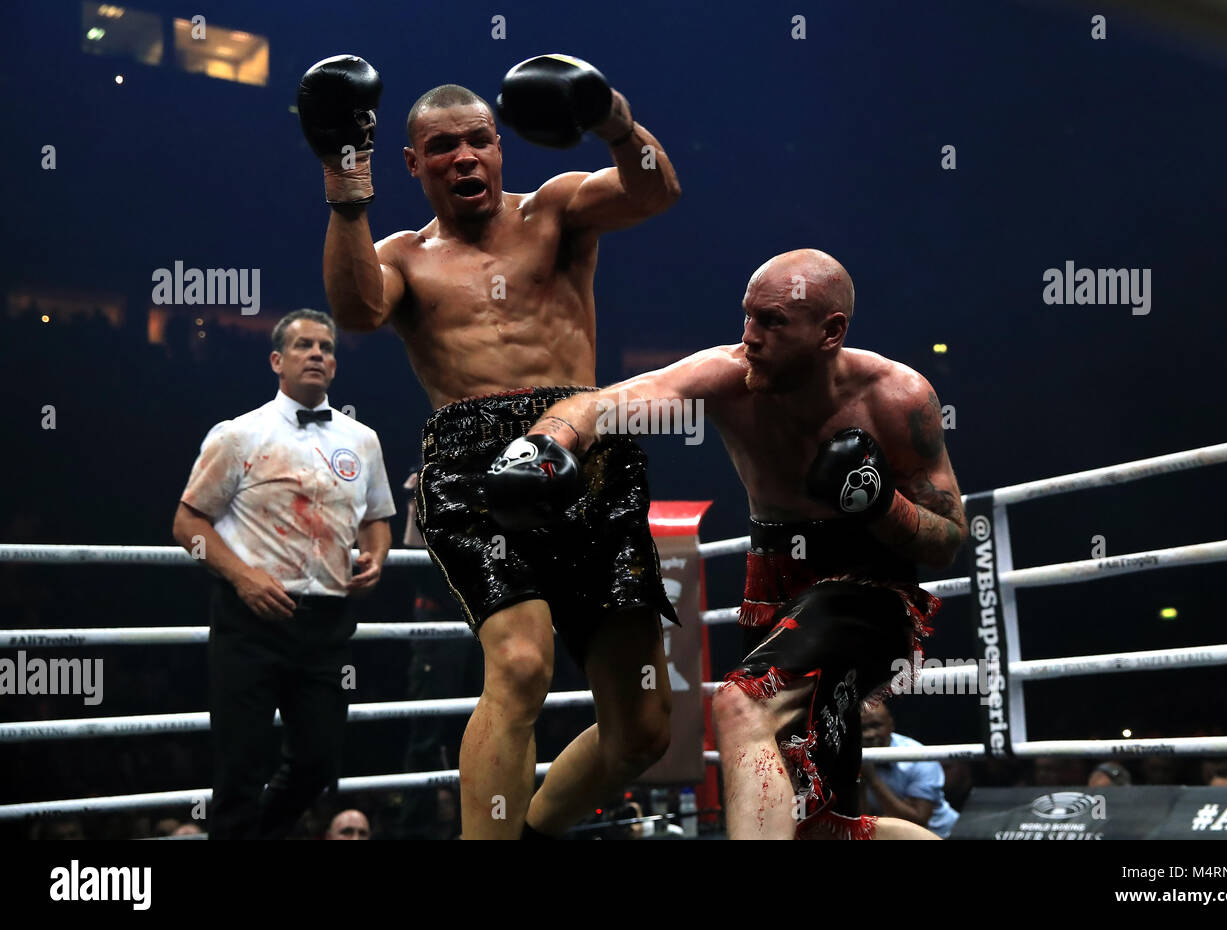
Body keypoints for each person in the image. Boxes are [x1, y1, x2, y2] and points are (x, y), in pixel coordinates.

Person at [298, 53, 682, 839]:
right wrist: (346, 189)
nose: (464, 157)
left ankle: (532, 829)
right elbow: (359, 311)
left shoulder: (556, 209)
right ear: (412, 163)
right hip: (473, 463)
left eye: (479, 140)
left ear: (501, 146)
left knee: (642, 730)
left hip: (587, 444)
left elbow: (655, 189)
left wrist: (609, 113)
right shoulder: (404, 253)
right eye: (442, 147)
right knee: (518, 665)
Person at [488, 248, 967, 839]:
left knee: (744, 704)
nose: (751, 337)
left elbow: (948, 538)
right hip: (775, 591)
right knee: (819, 827)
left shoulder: (896, 397)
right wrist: (543, 446)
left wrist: (879, 502)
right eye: (747, 317)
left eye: (772, 322)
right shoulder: (729, 375)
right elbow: (605, 404)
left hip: (868, 590)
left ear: (831, 332)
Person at [173, 310, 396, 840]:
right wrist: (244, 576)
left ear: (336, 365)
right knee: (240, 769)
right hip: (250, 620)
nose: (317, 353)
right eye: (303, 346)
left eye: (325, 346)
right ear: (277, 361)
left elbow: (377, 519)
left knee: (318, 762)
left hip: (327, 624)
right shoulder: (238, 435)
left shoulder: (363, 440)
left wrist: (377, 557)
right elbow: (187, 522)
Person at [859, 701, 960, 838]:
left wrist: (872, 779)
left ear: (891, 725)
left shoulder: (918, 756)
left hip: (944, 834)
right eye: (862, 728)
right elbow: (860, 822)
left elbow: (918, 820)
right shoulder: (849, 757)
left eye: (876, 725)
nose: (869, 734)